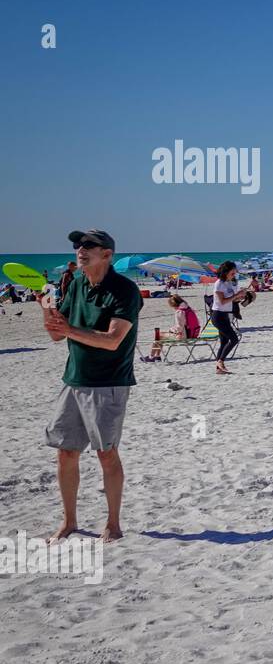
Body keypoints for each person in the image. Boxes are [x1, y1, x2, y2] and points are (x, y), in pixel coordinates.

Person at [43, 229, 140, 542]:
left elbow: (113, 341)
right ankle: (69, 522)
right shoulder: (77, 284)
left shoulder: (124, 290)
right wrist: (47, 308)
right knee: (65, 453)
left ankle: (113, 524)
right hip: (74, 380)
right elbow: (57, 335)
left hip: (108, 383)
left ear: (107, 254)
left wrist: (69, 328)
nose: (79, 250)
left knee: (106, 454)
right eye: (76, 245)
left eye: (88, 245)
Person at [211, 261, 247, 375]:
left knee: (224, 342)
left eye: (235, 272)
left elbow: (231, 300)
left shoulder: (229, 283)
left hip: (226, 314)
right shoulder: (219, 283)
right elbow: (222, 302)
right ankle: (221, 362)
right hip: (218, 315)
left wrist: (241, 296)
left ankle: (219, 369)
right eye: (232, 272)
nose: (234, 274)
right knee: (234, 339)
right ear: (226, 271)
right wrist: (236, 295)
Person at [145, 294, 199, 360]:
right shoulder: (189, 309)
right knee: (161, 336)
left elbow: (179, 328)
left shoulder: (180, 312)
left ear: (174, 305)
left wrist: (171, 330)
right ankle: (157, 356)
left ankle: (151, 356)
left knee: (158, 335)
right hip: (192, 335)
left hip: (183, 336)